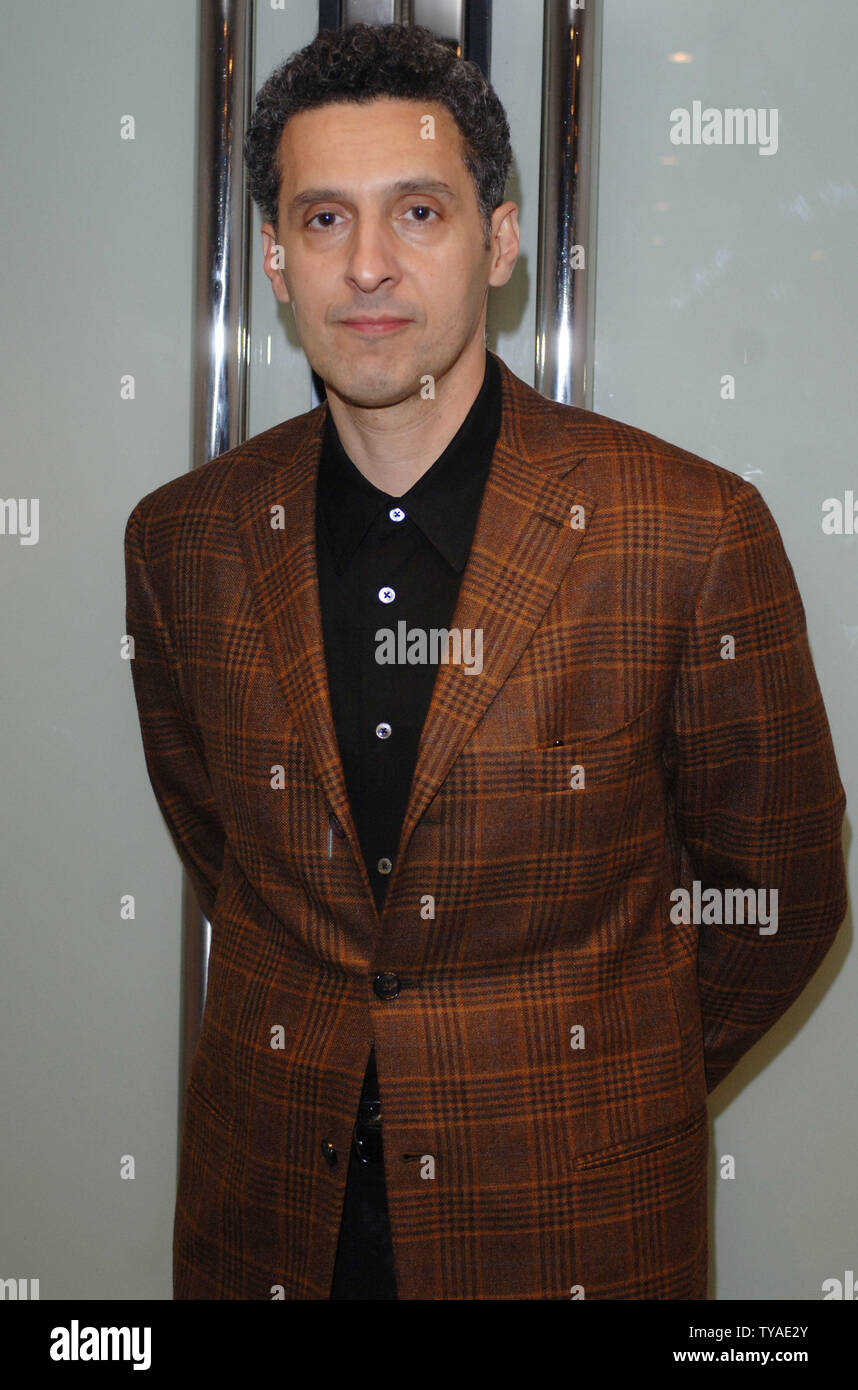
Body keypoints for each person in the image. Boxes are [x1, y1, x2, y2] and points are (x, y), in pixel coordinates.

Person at [124, 22, 848, 1301]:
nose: (370, 269)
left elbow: (778, 891)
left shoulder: (688, 529)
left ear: (500, 242)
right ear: (277, 262)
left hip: (574, 1221)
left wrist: (596, 1078)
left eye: (418, 211)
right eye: (325, 220)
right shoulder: (182, 540)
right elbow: (227, 850)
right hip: (267, 1217)